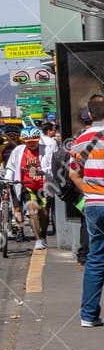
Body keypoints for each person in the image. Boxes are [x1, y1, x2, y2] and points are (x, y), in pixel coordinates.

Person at [69, 94, 104, 325]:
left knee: (96, 258)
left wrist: (91, 191)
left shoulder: (82, 139)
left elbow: (73, 174)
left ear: (90, 115)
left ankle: (88, 316)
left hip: (94, 205)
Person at [16, 129, 50, 253]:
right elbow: (12, 166)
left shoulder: (47, 149)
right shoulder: (19, 151)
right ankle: (38, 240)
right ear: (24, 141)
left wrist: (41, 171)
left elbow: (51, 167)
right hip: (28, 186)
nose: (31, 144)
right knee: (32, 210)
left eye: (34, 141)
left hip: (43, 186)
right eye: (28, 141)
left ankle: (44, 234)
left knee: (44, 214)